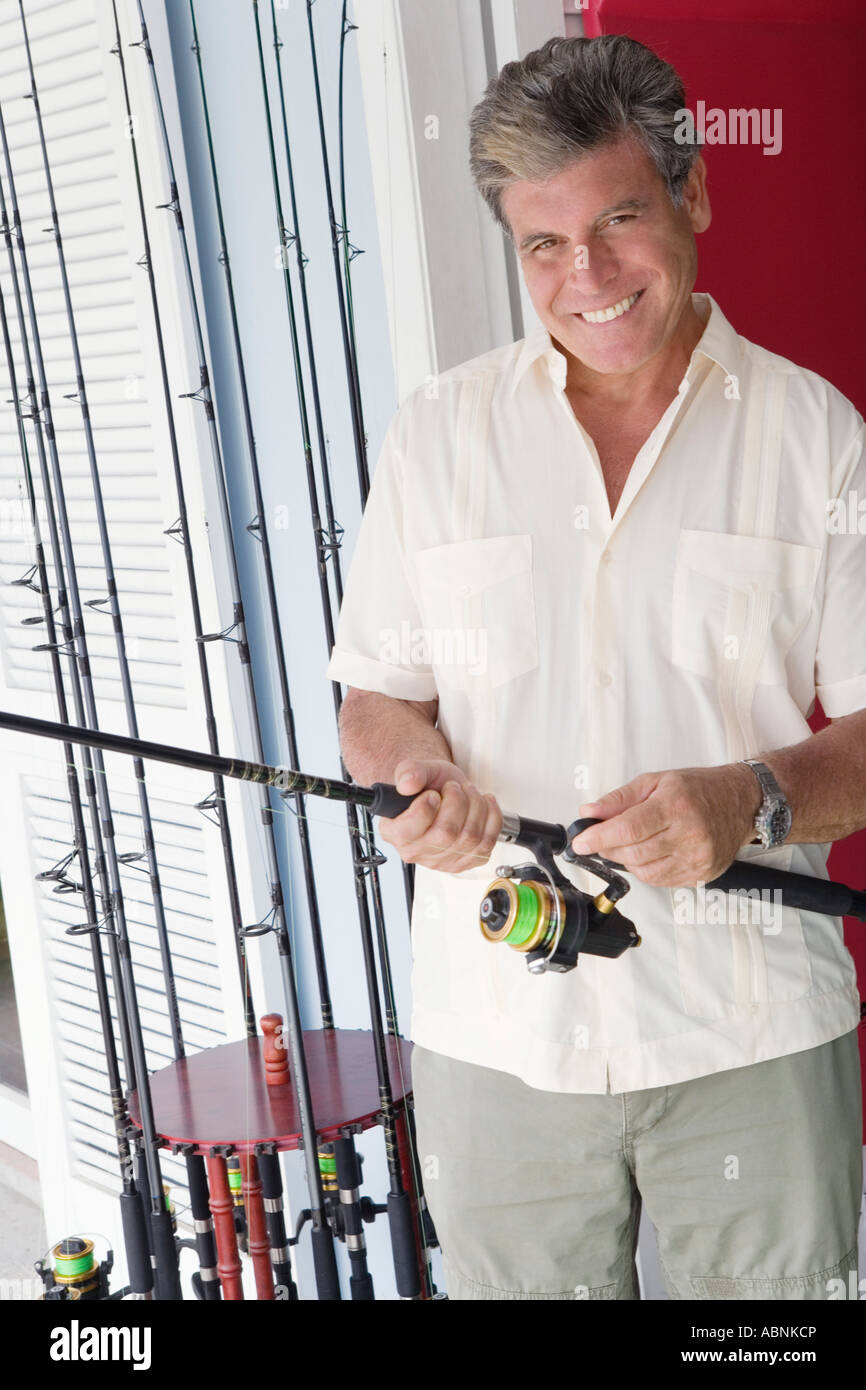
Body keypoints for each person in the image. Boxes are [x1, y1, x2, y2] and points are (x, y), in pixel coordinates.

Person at [326, 34, 866, 1300]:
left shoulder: (816, 436)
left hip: (750, 1030)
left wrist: (749, 800)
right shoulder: (435, 436)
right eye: (543, 245)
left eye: (619, 219)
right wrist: (416, 770)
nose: (589, 276)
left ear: (692, 196)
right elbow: (376, 698)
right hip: (493, 1029)